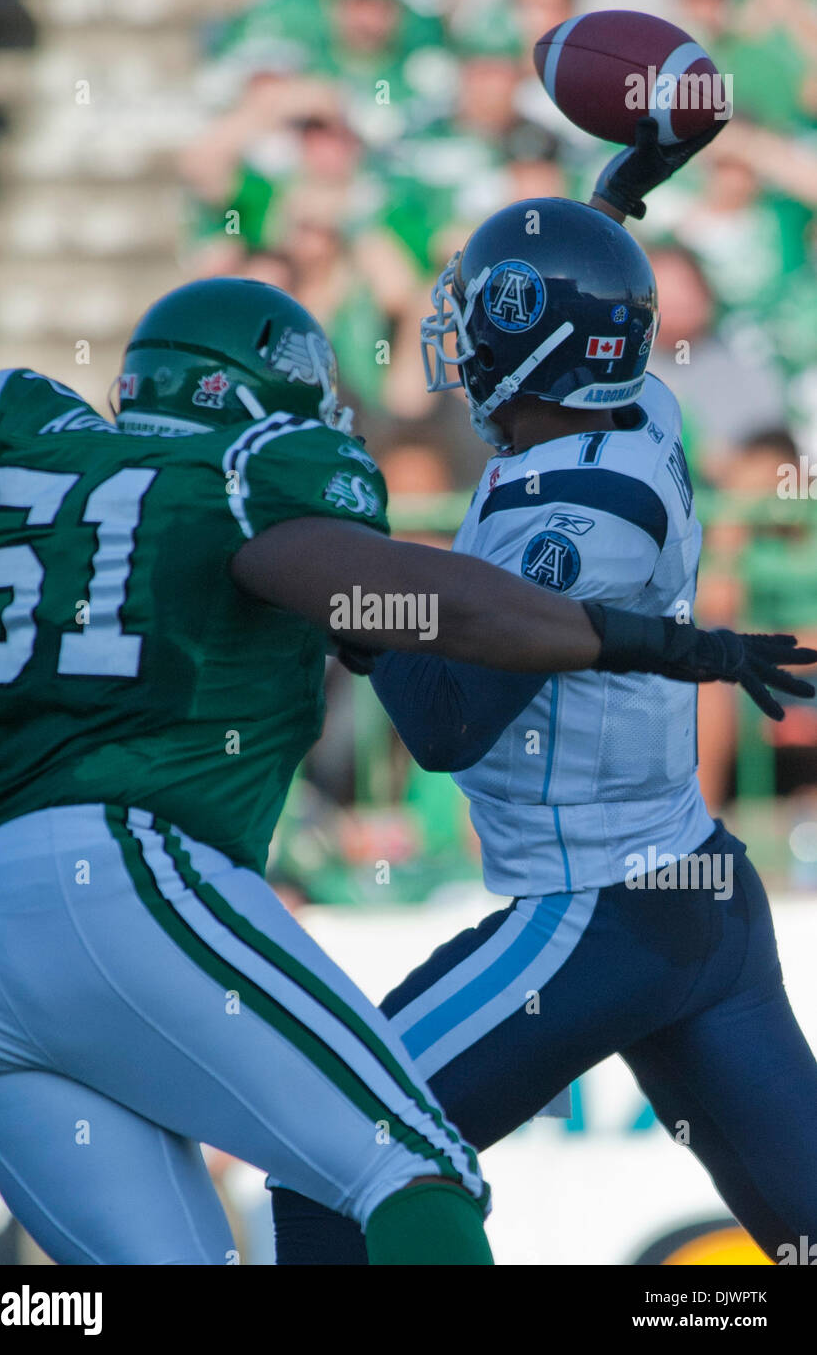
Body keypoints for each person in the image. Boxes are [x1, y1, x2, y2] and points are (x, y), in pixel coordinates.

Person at [0, 274, 801, 1265]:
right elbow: (429, 642)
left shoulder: (19, 432)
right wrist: (650, 641)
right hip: (124, 864)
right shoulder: (255, 469)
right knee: (392, 1173)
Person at [270, 142, 817, 1265]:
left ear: (536, 351)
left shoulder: (567, 530)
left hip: (595, 913)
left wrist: (361, 597)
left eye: (480, 320)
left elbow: (444, 723)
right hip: (695, 894)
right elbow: (583, 336)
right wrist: (603, 211)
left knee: (334, 1159)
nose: (458, 342)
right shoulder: (635, 404)